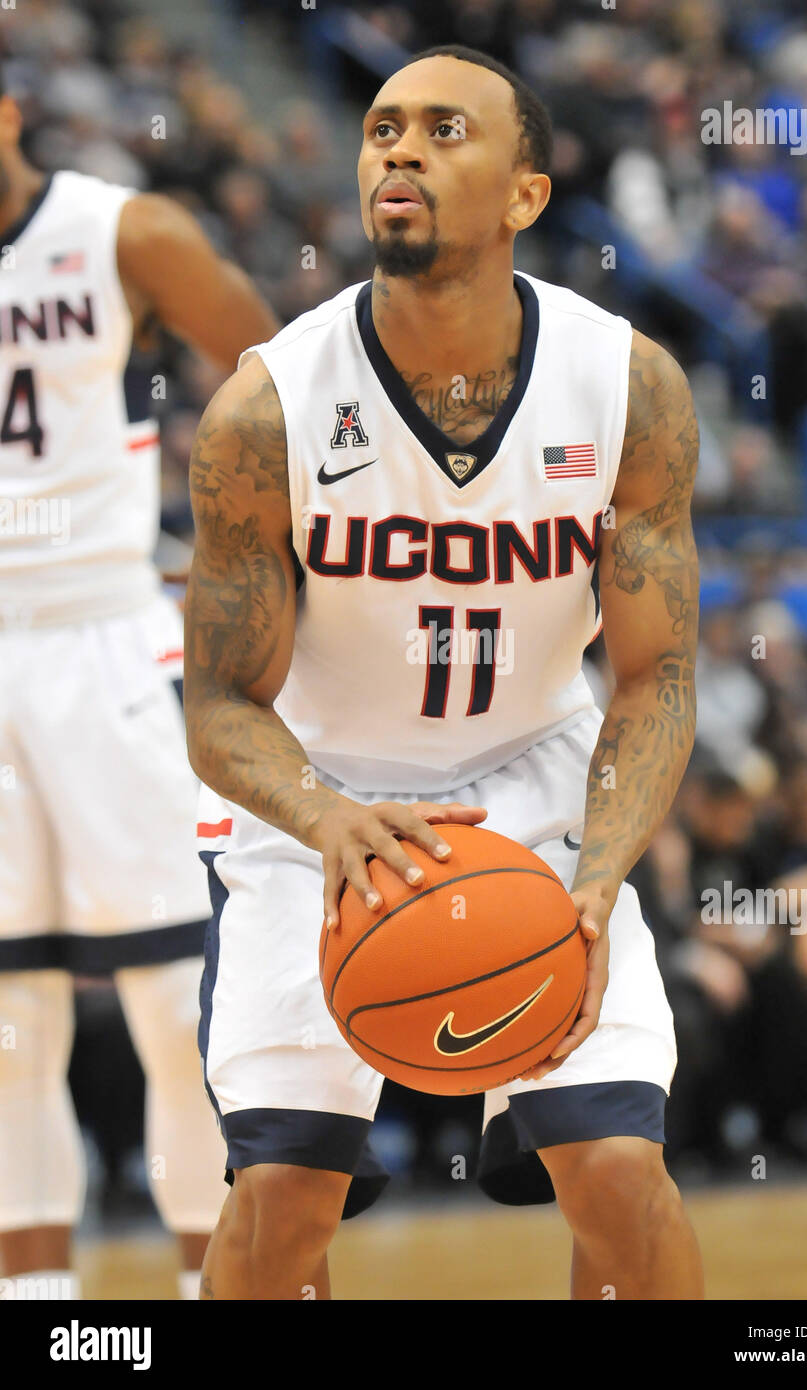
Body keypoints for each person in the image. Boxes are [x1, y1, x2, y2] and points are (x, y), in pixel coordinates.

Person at [184, 45, 704, 1300]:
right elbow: (215, 705)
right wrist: (323, 817)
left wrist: (596, 875)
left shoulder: (627, 387)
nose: (399, 151)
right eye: (381, 129)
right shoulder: (268, 410)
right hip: (325, 804)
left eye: (443, 131)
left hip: (536, 785)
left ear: (526, 194)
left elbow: (659, 675)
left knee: (618, 1172)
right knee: (280, 1210)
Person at [0, 71, 279, 1301]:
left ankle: (197, 1293)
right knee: (12, 1032)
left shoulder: (124, 231)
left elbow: (273, 373)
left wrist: (234, 545)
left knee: (175, 1002)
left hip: (104, 633)